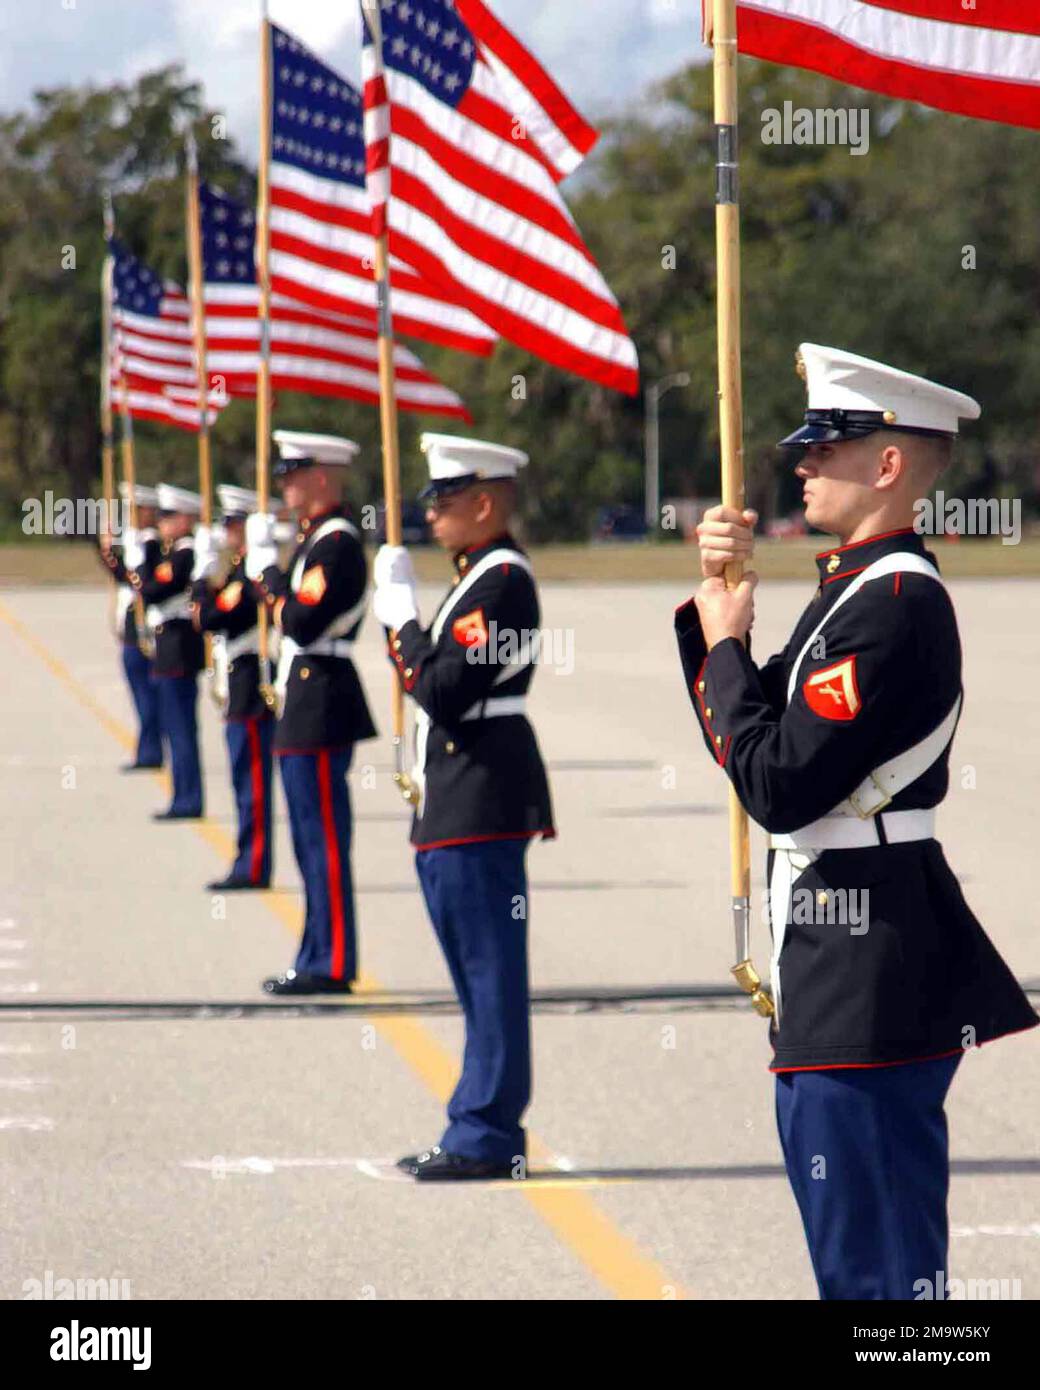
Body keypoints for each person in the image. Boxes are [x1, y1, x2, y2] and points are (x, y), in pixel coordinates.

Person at [676, 343, 1038, 1299]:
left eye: (823, 447)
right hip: (842, 940)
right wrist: (717, 625)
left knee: (880, 1277)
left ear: (885, 466)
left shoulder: (894, 606)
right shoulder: (854, 593)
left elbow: (779, 784)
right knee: (866, 1263)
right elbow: (754, 751)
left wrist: (724, 646)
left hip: (867, 951)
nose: (800, 464)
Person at [372, 433, 555, 1182]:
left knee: (489, 976)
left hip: (480, 794)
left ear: (484, 503)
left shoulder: (502, 583)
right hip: (460, 793)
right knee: (474, 975)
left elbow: (445, 689)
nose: (433, 516)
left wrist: (400, 621)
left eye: (444, 503)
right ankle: (476, 1121)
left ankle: (485, 1130)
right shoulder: (476, 576)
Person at [246, 432, 377, 996]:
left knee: (321, 838)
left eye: (295, 473)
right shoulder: (314, 540)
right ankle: (315, 951)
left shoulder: (337, 544)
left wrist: (270, 580)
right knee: (306, 838)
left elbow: (301, 620)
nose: (285, 484)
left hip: (321, 696)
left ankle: (334, 958)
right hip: (304, 696)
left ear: (323, 476)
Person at [192, 484, 274, 892]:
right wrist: (205, 574)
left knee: (252, 781)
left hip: (250, 681)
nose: (227, 530)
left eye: (232, 523)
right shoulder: (240, 571)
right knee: (243, 778)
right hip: (237, 678)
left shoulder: (250, 578)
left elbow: (207, 619)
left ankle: (254, 862)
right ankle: (248, 857)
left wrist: (201, 580)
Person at [132, 484, 205, 821]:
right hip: (168, 647)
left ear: (185, 519)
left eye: (167, 516)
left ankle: (188, 798)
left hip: (178, 648)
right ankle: (183, 795)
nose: (160, 522)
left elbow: (153, 590)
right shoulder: (171, 552)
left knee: (180, 731)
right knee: (176, 729)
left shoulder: (184, 554)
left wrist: (142, 557)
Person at [99, 481, 163, 772]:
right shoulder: (138, 541)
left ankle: (151, 750)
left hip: (144, 632)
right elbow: (124, 576)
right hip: (132, 630)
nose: (133, 514)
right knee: (140, 695)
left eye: (138, 508)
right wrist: (108, 551)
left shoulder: (151, 543)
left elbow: (139, 581)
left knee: (147, 696)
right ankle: (147, 747)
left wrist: (119, 559)